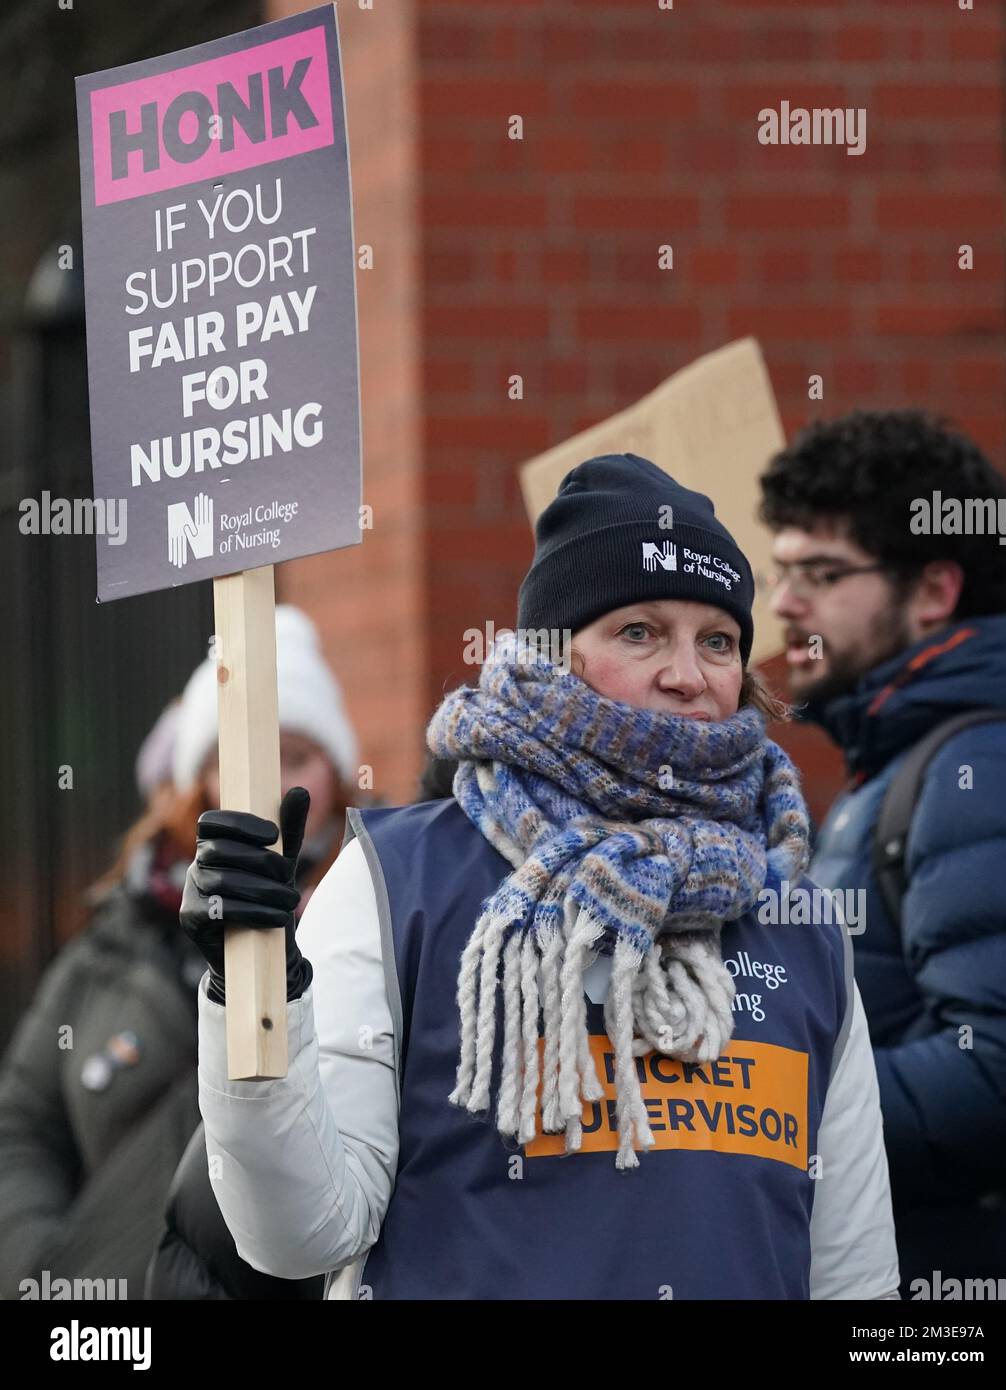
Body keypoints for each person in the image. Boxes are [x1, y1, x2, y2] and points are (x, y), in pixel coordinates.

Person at [186, 453, 899, 1301]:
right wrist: (253, 992)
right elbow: (301, 1236)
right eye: (639, 631)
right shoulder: (397, 881)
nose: (688, 674)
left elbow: (855, 1284)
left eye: (718, 640)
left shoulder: (801, 919)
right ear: (554, 654)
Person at [0, 605, 359, 1300]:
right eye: (239, 754)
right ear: (198, 781)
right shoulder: (115, 943)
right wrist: (39, 1267)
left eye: (296, 756)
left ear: (338, 778)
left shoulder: (371, 924)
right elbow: (24, 1123)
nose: (267, 779)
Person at [759, 409, 1006, 1297]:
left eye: (822, 574)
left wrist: (761, 1094)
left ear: (935, 590)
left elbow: (1005, 1071)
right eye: (781, 571)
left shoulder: (978, 765)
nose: (784, 605)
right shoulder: (902, 763)